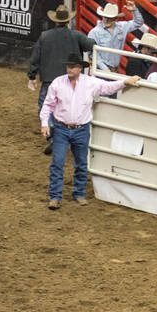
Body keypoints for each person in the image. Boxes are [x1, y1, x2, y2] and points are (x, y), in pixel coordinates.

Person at [40, 53, 140, 208]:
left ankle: (78, 193)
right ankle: (55, 196)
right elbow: (48, 105)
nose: (70, 69)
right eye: (68, 66)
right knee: (57, 163)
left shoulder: (90, 83)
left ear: (80, 68)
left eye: (73, 66)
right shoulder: (57, 83)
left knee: (81, 163)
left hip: (81, 128)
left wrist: (124, 82)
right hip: (62, 127)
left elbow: (108, 87)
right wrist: (45, 123)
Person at [28, 3, 96, 152]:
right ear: (68, 21)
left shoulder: (45, 36)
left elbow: (35, 57)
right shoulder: (76, 35)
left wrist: (32, 75)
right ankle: (72, 136)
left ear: (55, 20)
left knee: (47, 107)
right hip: (71, 79)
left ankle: (53, 137)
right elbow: (92, 44)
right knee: (73, 106)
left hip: (49, 78)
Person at [87, 0, 144, 72]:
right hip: (100, 70)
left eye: (110, 18)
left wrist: (134, 10)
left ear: (115, 19)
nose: (106, 20)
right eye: (105, 17)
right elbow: (92, 53)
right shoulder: (94, 32)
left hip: (115, 69)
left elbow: (138, 22)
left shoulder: (122, 27)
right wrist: (105, 68)